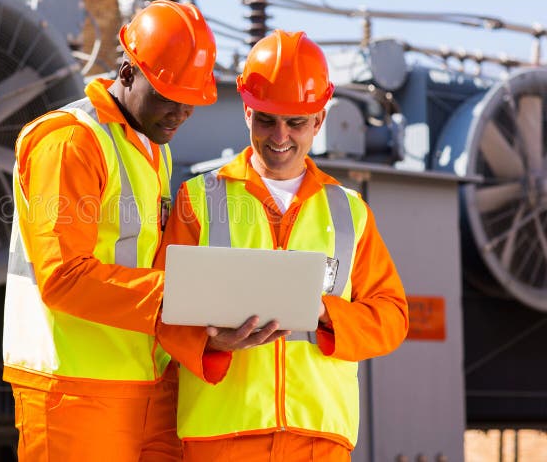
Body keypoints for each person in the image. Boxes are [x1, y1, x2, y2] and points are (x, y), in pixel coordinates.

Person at [155, 29, 409, 462]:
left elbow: (392, 317)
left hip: (318, 438)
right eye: (267, 120)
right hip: (222, 435)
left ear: (319, 121)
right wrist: (214, 345)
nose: (280, 137)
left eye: (296, 123)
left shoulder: (350, 212)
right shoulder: (198, 199)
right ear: (247, 113)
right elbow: (161, 312)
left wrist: (325, 311)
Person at [1, 0, 219, 462]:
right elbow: (63, 277)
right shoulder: (70, 142)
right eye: (167, 96)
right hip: (71, 389)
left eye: (190, 103)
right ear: (126, 72)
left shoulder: (149, 146)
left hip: (135, 380)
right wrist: (188, 297)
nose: (179, 114)